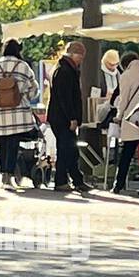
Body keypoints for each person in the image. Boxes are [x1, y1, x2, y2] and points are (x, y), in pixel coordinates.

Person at [0, 39, 40, 189]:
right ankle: (8, 175)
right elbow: (34, 91)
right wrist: (24, 96)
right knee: (13, 142)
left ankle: (3, 173)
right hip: (18, 114)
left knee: (3, 142)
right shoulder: (23, 67)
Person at [99, 51, 139, 195]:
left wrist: (119, 116)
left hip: (131, 117)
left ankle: (119, 184)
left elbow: (123, 99)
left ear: (125, 65)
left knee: (127, 153)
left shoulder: (126, 75)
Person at [48, 41, 90, 193]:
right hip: (63, 118)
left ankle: (77, 181)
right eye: (81, 56)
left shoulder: (62, 68)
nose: (82, 60)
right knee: (66, 150)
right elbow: (65, 98)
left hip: (58, 116)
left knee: (70, 150)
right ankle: (61, 181)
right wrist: (72, 118)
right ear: (74, 54)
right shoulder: (65, 71)